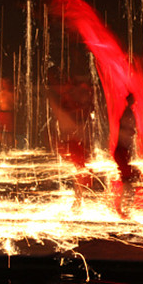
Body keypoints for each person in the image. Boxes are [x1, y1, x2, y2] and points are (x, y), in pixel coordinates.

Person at [47, 71, 94, 212]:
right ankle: (79, 198)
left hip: (77, 135)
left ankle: (79, 198)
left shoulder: (75, 99)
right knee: (79, 168)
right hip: (73, 135)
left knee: (79, 168)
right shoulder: (69, 99)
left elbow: (82, 113)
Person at [113, 93, 139, 218]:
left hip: (123, 151)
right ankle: (120, 208)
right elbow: (125, 129)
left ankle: (122, 208)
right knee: (128, 181)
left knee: (129, 181)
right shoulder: (127, 113)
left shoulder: (128, 112)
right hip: (122, 151)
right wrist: (132, 131)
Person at [0, 77, 16, 150]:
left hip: (9, 114)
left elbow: (15, 104)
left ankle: (10, 147)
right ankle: (4, 145)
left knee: (9, 133)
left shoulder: (12, 94)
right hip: (1, 114)